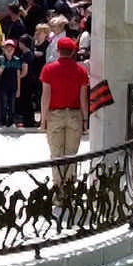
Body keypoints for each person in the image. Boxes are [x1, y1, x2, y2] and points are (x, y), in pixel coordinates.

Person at [39, 36, 90, 188]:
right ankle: (69, 190)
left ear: (57, 50)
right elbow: (83, 98)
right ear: (73, 51)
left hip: (55, 115)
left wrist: (43, 119)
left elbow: (45, 97)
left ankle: (58, 190)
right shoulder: (81, 70)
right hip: (74, 115)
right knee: (71, 155)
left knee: (56, 155)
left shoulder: (48, 69)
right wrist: (85, 120)